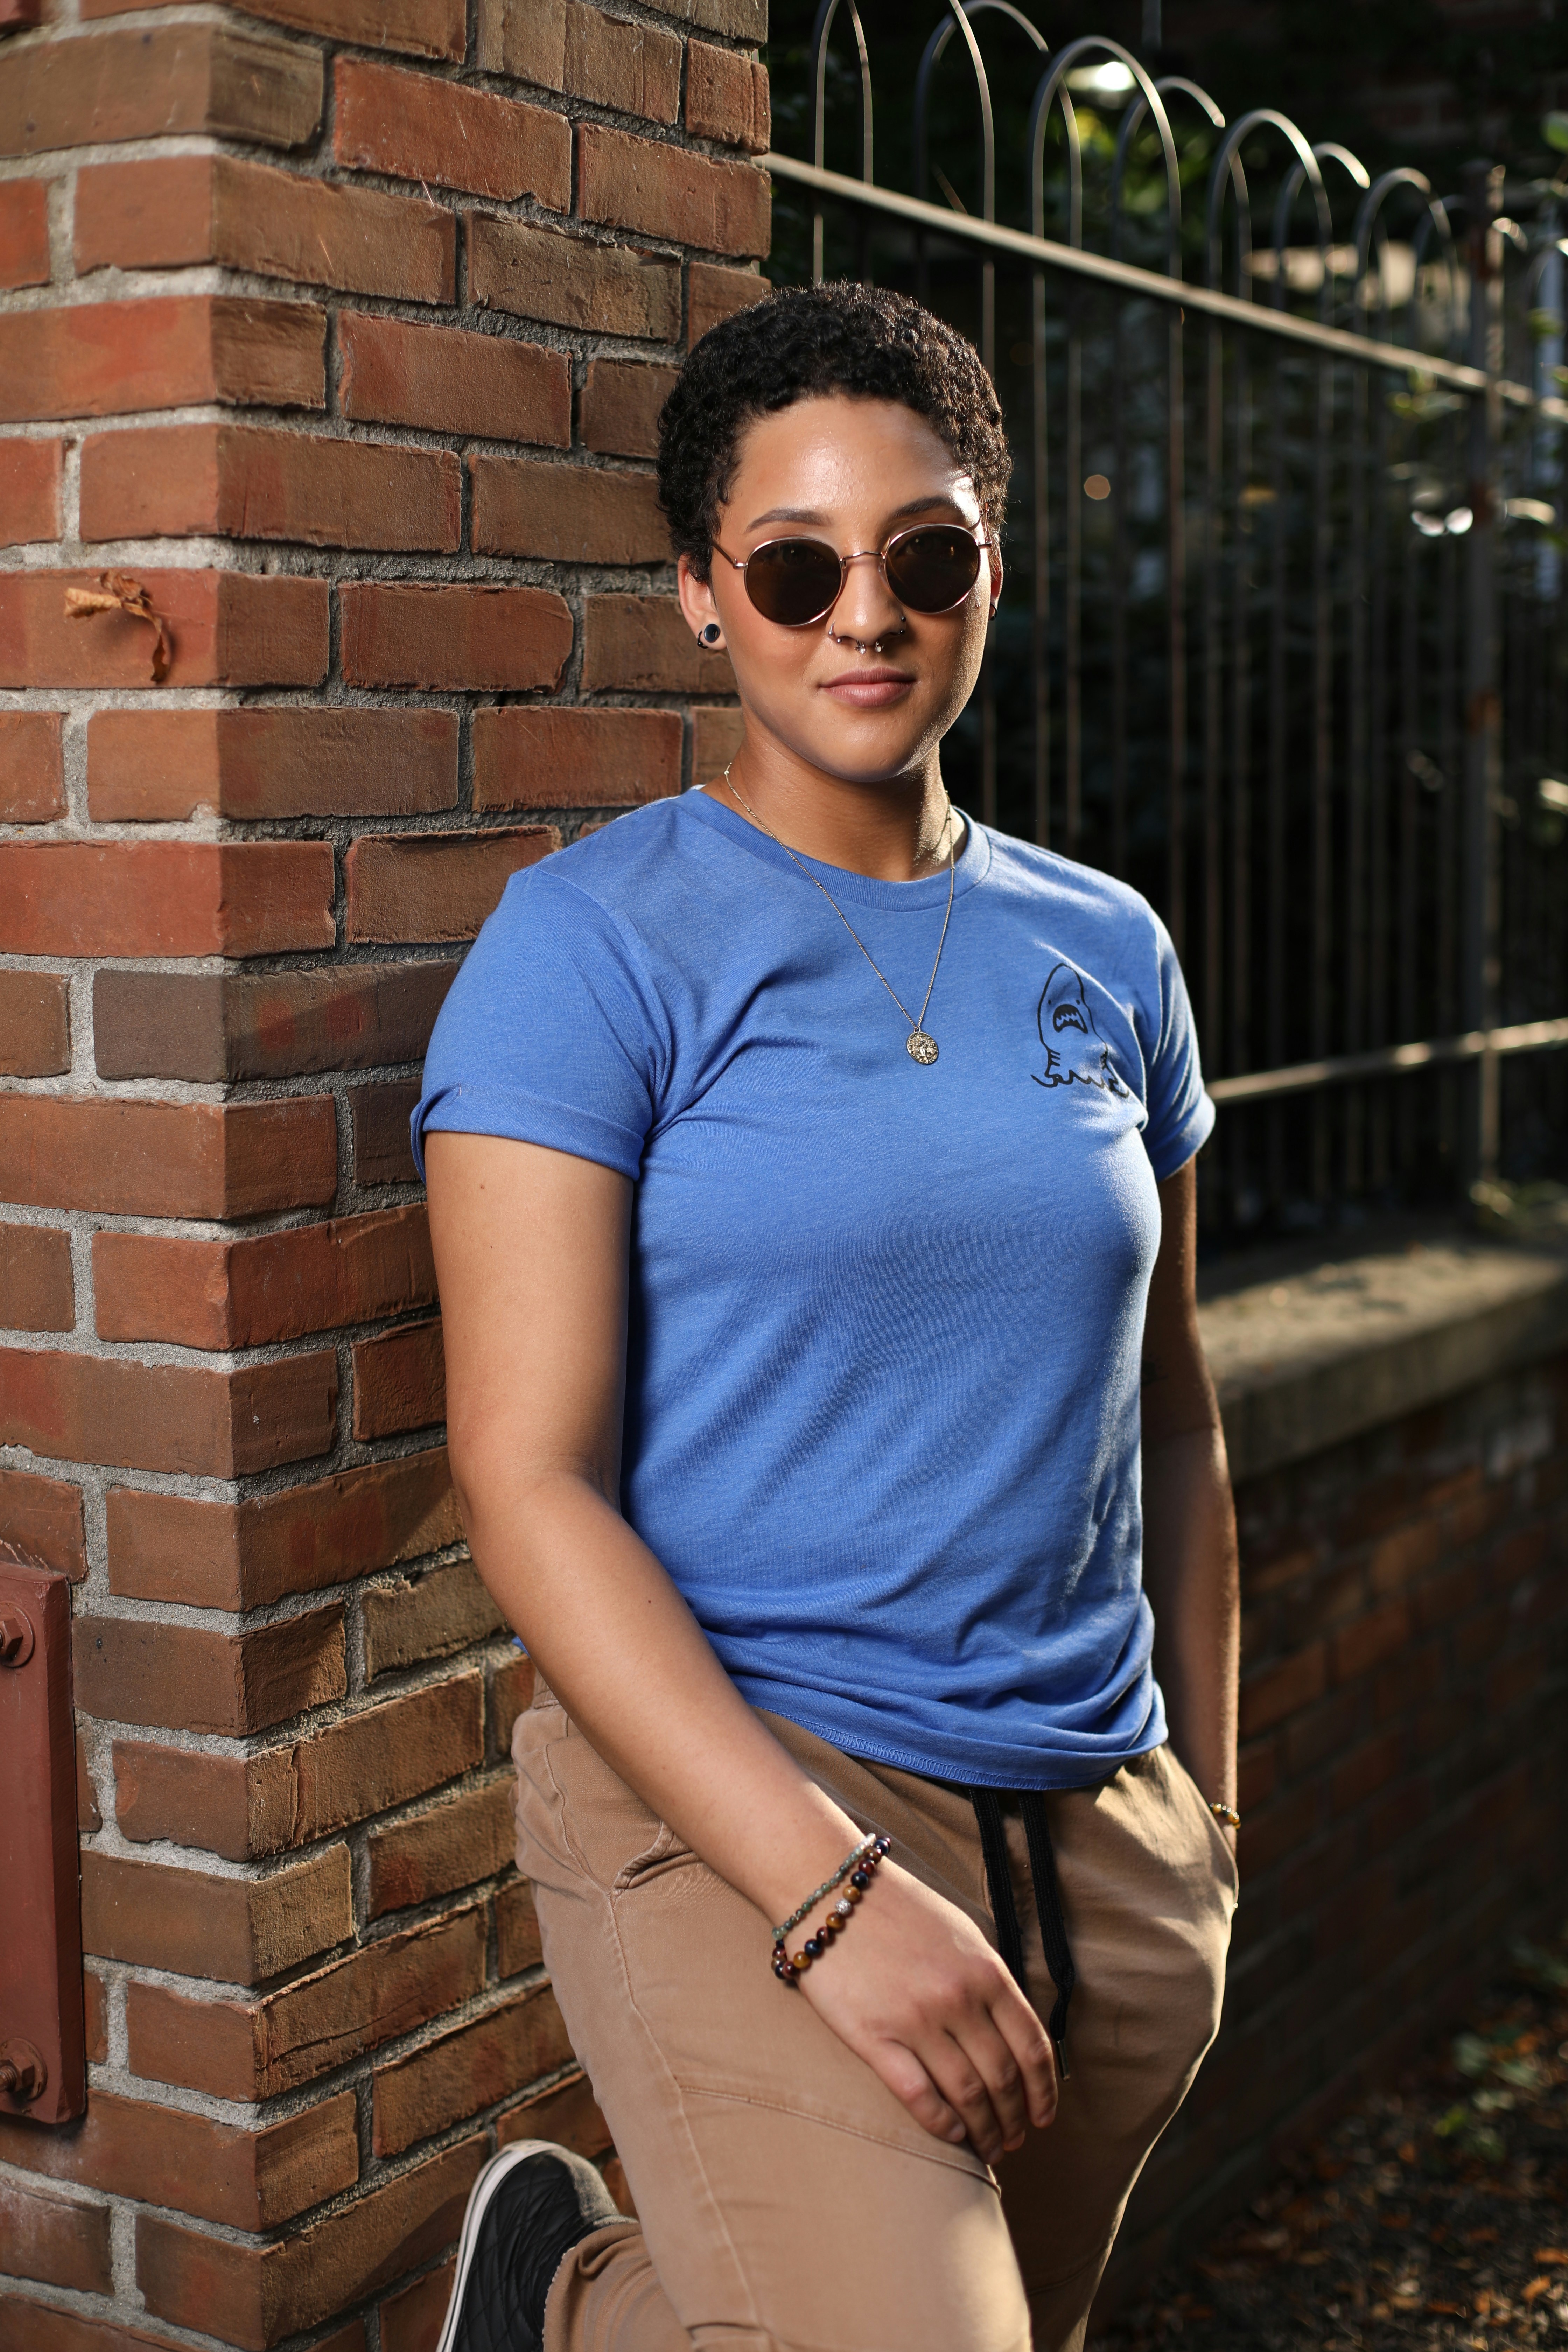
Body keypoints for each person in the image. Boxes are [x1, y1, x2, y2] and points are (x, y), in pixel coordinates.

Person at [416, 281, 1240, 2352]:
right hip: (754, 1798)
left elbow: (1173, 1421)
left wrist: (1208, 1814)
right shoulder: (592, 948)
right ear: (705, 594)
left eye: (924, 555)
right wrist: (829, 1888)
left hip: (1107, 1834)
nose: (864, 615)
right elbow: (526, 1483)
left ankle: (569, 2313)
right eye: (795, 568)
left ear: (990, 565)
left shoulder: (1111, 950)